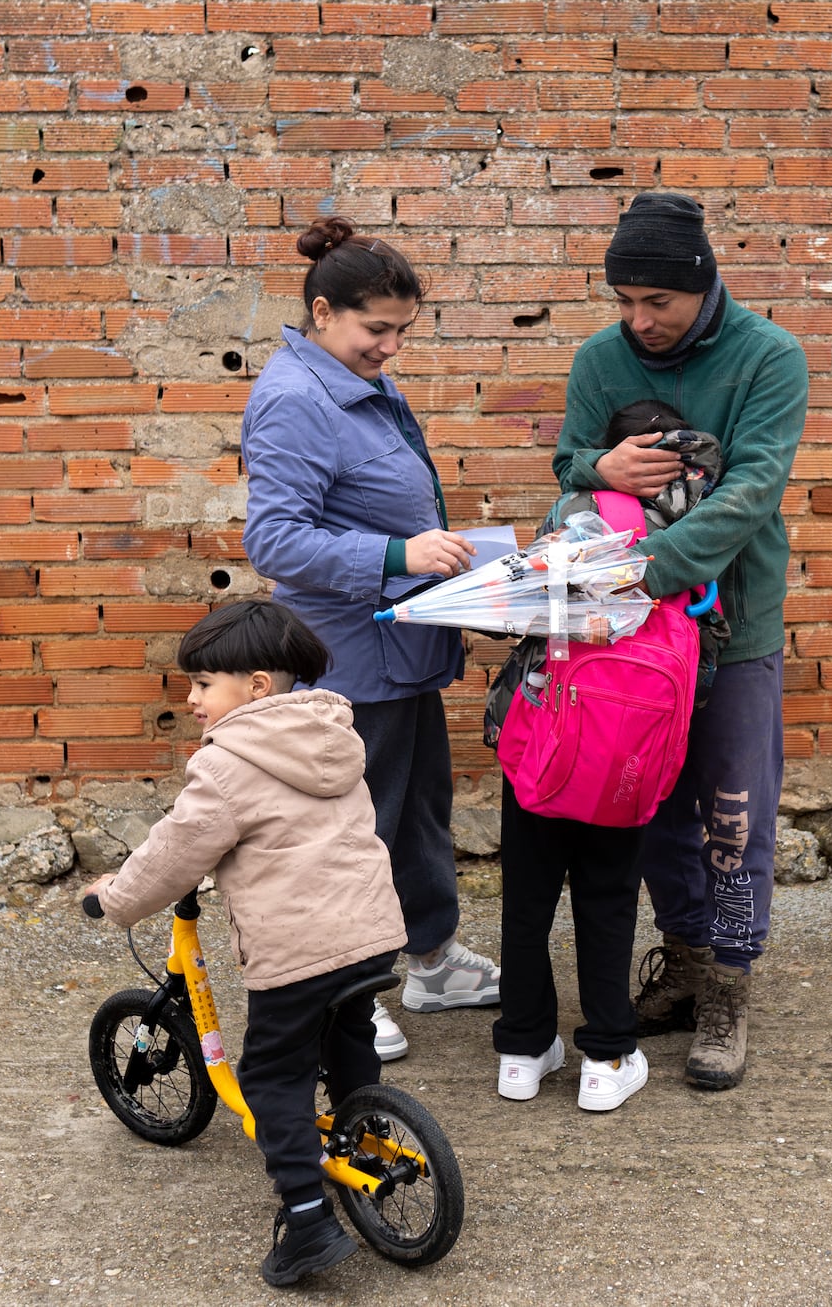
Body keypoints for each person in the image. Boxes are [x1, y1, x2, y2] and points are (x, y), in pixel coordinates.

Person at [553, 192, 809, 1091]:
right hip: (632, 643)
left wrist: (644, 569)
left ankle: (731, 984)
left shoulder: (768, 358)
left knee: (733, 814)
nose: (638, 321)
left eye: (656, 302)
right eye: (624, 300)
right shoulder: (599, 359)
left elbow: (751, 492)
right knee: (649, 802)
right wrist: (600, 468)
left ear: (700, 287)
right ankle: (688, 956)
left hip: (733, 629)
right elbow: (568, 472)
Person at [79, 600, 402, 1287]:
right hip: (372, 934)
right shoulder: (333, 732)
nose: (191, 699)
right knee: (348, 1034)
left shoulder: (226, 763)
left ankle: (309, 1217)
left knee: (270, 1077)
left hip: (299, 952)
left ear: (256, 686)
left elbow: (173, 852)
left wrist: (113, 898)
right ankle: (363, 1127)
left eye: (202, 683)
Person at [241, 218, 500, 1062]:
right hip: (346, 654)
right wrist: (398, 553)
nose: (390, 347)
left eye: (401, 331)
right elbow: (275, 540)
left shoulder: (354, 377)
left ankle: (428, 958)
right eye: (376, 329)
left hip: (402, 647)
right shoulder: (293, 398)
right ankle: (345, 995)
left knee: (417, 813)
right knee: (356, 831)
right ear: (324, 311)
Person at [488, 399, 717, 1113]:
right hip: (628, 753)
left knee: (526, 901)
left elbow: (519, 614)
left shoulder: (573, 508)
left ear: (610, 451)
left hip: (546, 745)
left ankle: (523, 1053)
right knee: (609, 900)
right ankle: (606, 1057)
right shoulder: (695, 526)